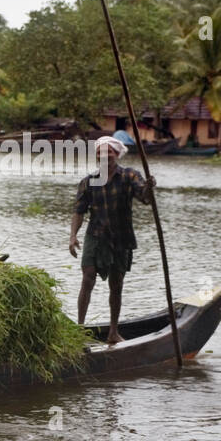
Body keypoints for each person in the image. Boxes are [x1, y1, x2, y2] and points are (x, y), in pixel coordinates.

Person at [68, 136, 156, 344]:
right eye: (100, 152)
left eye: (108, 152)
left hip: (121, 238)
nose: (104, 155)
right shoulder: (88, 181)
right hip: (95, 236)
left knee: (116, 285)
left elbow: (145, 199)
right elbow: (78, 211)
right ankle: (79, 330)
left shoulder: (130, 176)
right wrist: (73, 236)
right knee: (87, 277)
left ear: (116, 155)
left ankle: (113, 332)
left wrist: (149, 188)